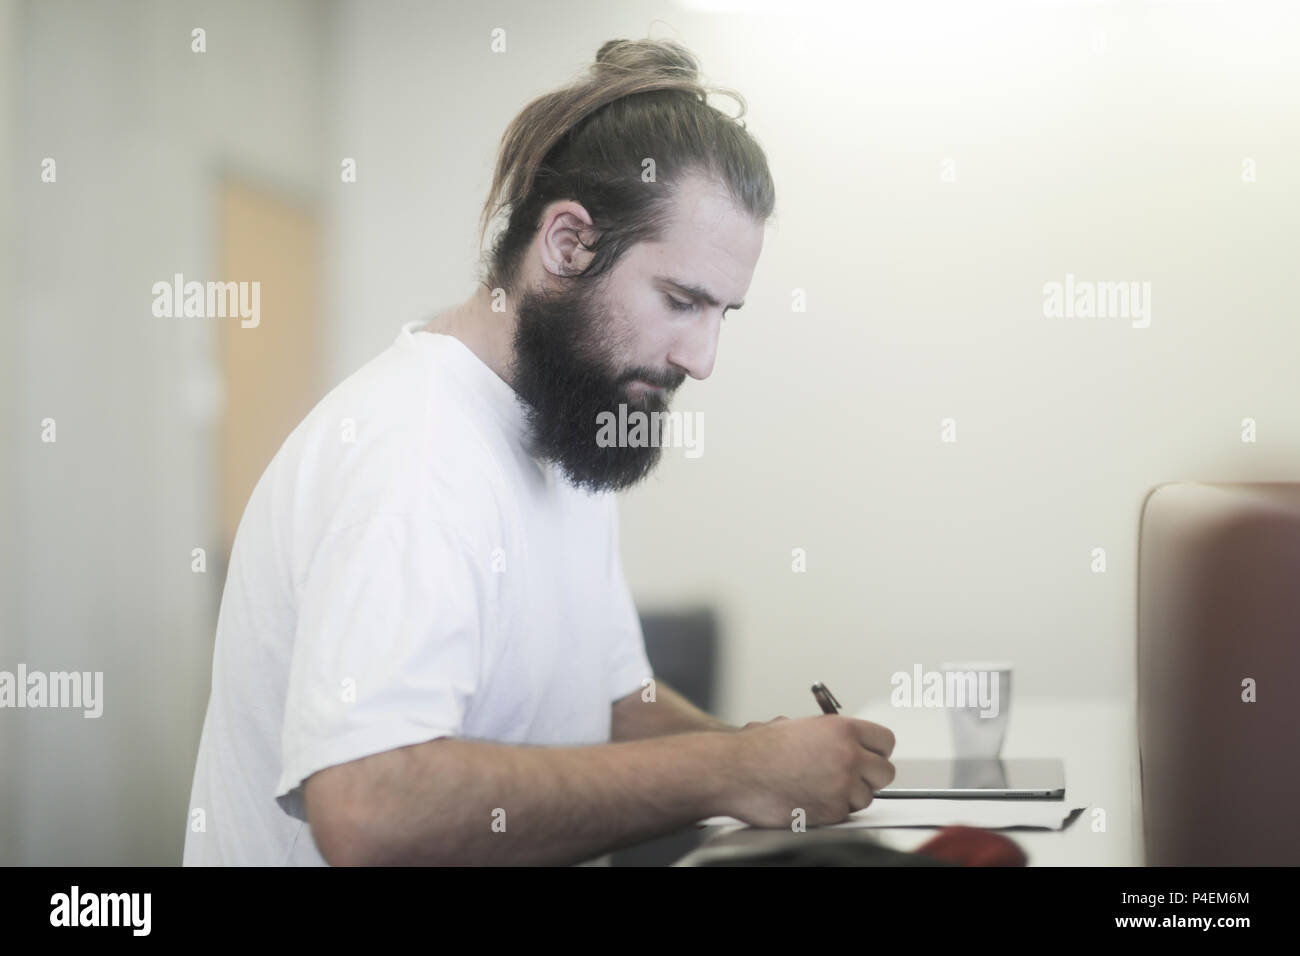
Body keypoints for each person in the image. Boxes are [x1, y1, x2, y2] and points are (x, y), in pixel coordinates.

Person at [183, 37, 895, 867]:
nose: (702, 358)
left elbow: (611, 699)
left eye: (722, 314)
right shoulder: (414, 450)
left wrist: (772, 762)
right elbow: (368, 806)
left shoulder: (567, 420)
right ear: (566, 247)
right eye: (679, 300)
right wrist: (730, 768)